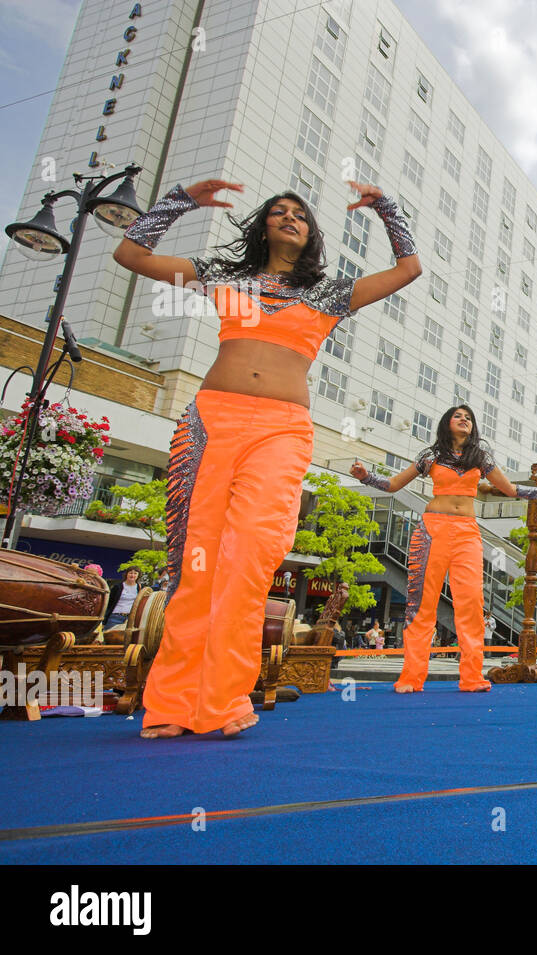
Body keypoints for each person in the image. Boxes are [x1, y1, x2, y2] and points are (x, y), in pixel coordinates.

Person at [116, 176, 421, 738]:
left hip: (281, 431)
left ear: (311, 236)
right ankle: (169, 706)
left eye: (299, 215)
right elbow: (130, 254)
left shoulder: (329, 293)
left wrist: (386, 207)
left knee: (249, 558)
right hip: (212, 424)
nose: (288, 218)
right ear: (262, 226)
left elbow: (408, 270)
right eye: (278, 212)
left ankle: (223, 701)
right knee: (197, 565)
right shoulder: (224, 276)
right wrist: (181, 199)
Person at [352, 406, 537, 692]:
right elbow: (393, 484)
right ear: (446, 423)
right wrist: (365, 476)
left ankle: (472, 677)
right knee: (422, 605)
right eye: (458, 416)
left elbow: (510, 490)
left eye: (469, 418)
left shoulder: (480, 458)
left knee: (472, 605)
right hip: (432, 530)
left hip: (467, 533)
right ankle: (411, 678)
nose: (464, 420)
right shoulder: (431, 456)